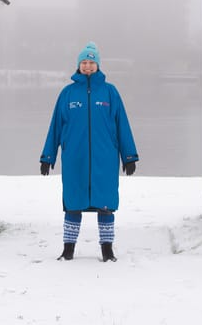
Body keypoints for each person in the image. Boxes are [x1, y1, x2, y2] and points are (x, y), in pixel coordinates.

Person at [39, 41, 139, 262]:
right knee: (73, 203)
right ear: (78, 65)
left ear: (98, 65)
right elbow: (56, 126)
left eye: (91, 62)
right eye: (84, 62)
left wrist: (129, 155)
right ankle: (68, 249)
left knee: (106, 205)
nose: (87, 66)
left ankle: (107, 250)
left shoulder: (110, 93)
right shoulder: (67, 94)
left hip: (105, 159)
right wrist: (48, 156)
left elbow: (122, 125)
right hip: (75, 158)